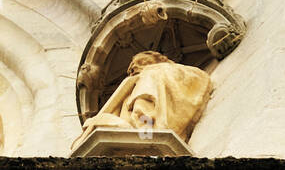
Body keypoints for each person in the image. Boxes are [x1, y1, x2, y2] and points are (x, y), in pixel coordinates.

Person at [72, 51, 213, 150]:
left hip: (147, 133)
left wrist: (145, 132)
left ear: (159, 59)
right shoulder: (145, 78)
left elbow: (144, 106)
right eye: (130, 67)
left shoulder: (155, 71)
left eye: (137, 62)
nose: (131, 68)